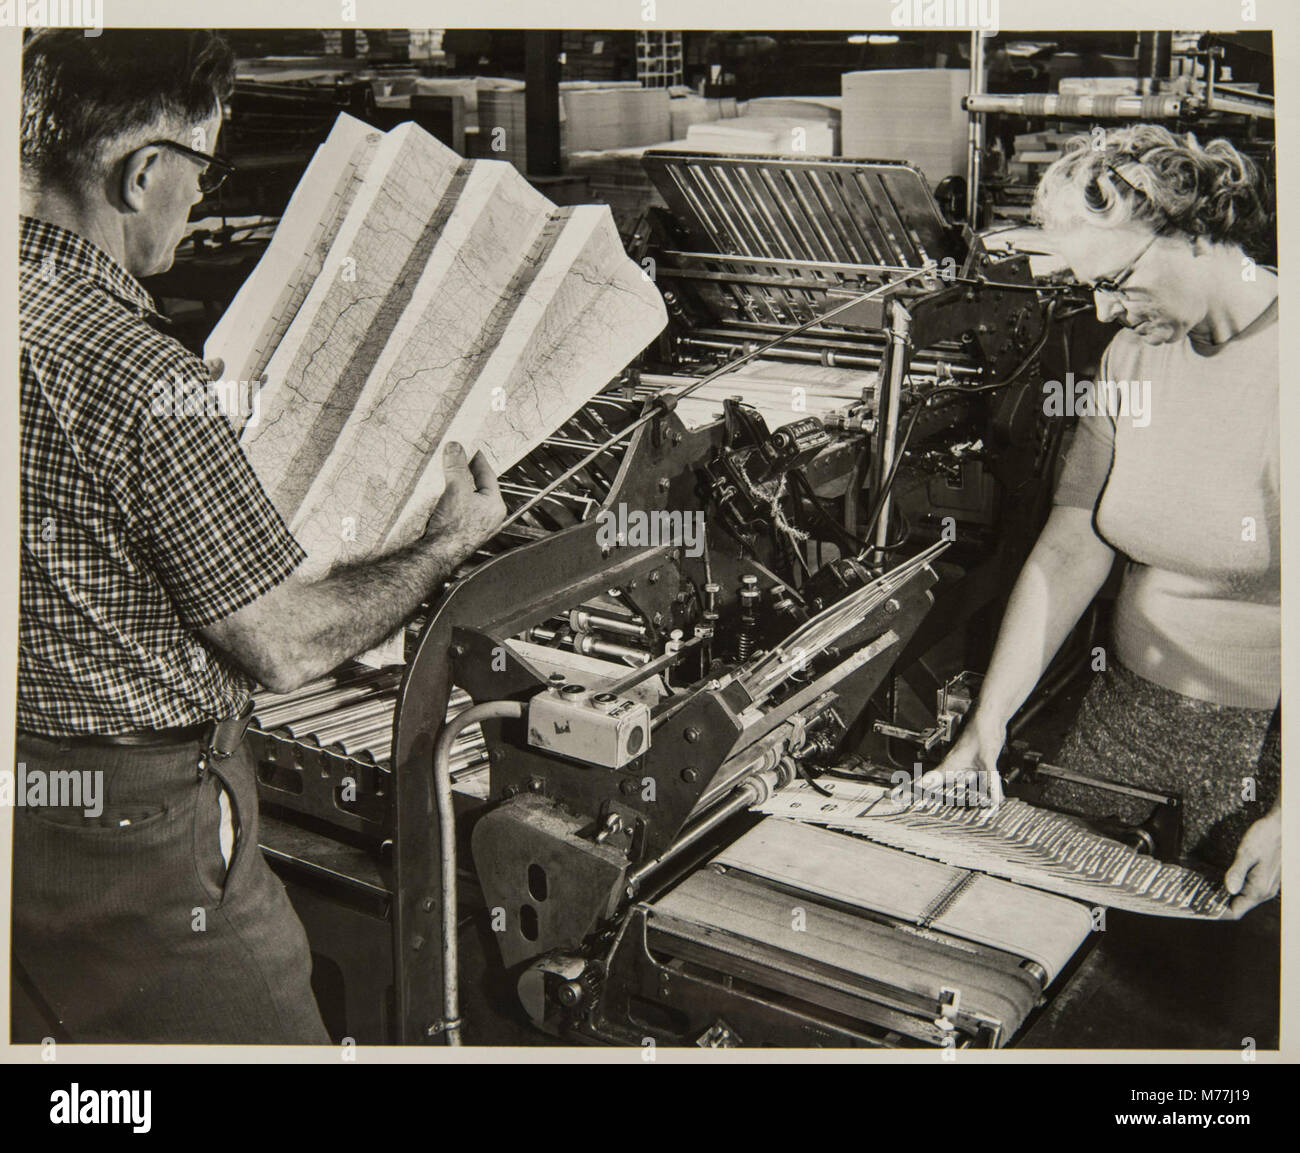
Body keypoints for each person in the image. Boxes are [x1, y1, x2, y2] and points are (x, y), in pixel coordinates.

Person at [15, 29, 506, 1042]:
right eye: (204, 170)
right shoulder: (141, 373)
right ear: (144, 170)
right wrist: (442, 543)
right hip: (140, 847)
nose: (198, 201)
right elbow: (281, 643)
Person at [930, 125, 1279, 919]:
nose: (1103, 308)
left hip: (1267, 747)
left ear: (1191, 232)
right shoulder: (1130, 358)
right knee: (1017, 918)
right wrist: (990, 720)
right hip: (1124, 718)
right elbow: (1069, 544)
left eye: (1117, 278)